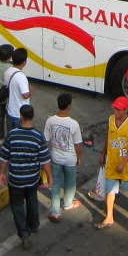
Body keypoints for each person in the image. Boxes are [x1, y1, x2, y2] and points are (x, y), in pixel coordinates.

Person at [0, 104, 52, 251]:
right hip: (32, 178)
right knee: (32, 200)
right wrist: (50, 178)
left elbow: (4, 157)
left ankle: (23, 233)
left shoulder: (12, 134)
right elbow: (45, 160)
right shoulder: (38, 136)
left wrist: (2, 173)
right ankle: (33, 225)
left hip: (15, 179)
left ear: (21, 116)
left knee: (17, 206)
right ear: (32, 116)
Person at [95, 96, 128, 228]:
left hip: (127, 162)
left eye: (119, 109)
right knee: (109, 188)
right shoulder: (111, 120)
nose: (116, 111)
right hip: (112, 160)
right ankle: (109, 216)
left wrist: (124, 162)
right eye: (115, 109)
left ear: (126, 109)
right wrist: (103, 153)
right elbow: (108, 137)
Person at [44, 92, 83, 223]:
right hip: (70, 159)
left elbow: (46, 140)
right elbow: (78, 145)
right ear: (69, 106)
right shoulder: (74, 124)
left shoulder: (50, 120)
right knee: (70, 183)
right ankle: (68, 204)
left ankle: (55, 212)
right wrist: (79, 157)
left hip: (55, 158)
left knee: (55, 184)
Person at [0, 44, 15, 144]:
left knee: (0, 117)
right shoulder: (11, 67)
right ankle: (10, 139)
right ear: (10, 56)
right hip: (8, 97)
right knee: (9, 118)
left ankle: (0, 138)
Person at [5, 47, 32, 130]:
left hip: (10, 110)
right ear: (24, 62)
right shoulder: (21, 77)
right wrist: (31, 90)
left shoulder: (8, 71)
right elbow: (25, 95)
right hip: (19, 113)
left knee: (11, 134)